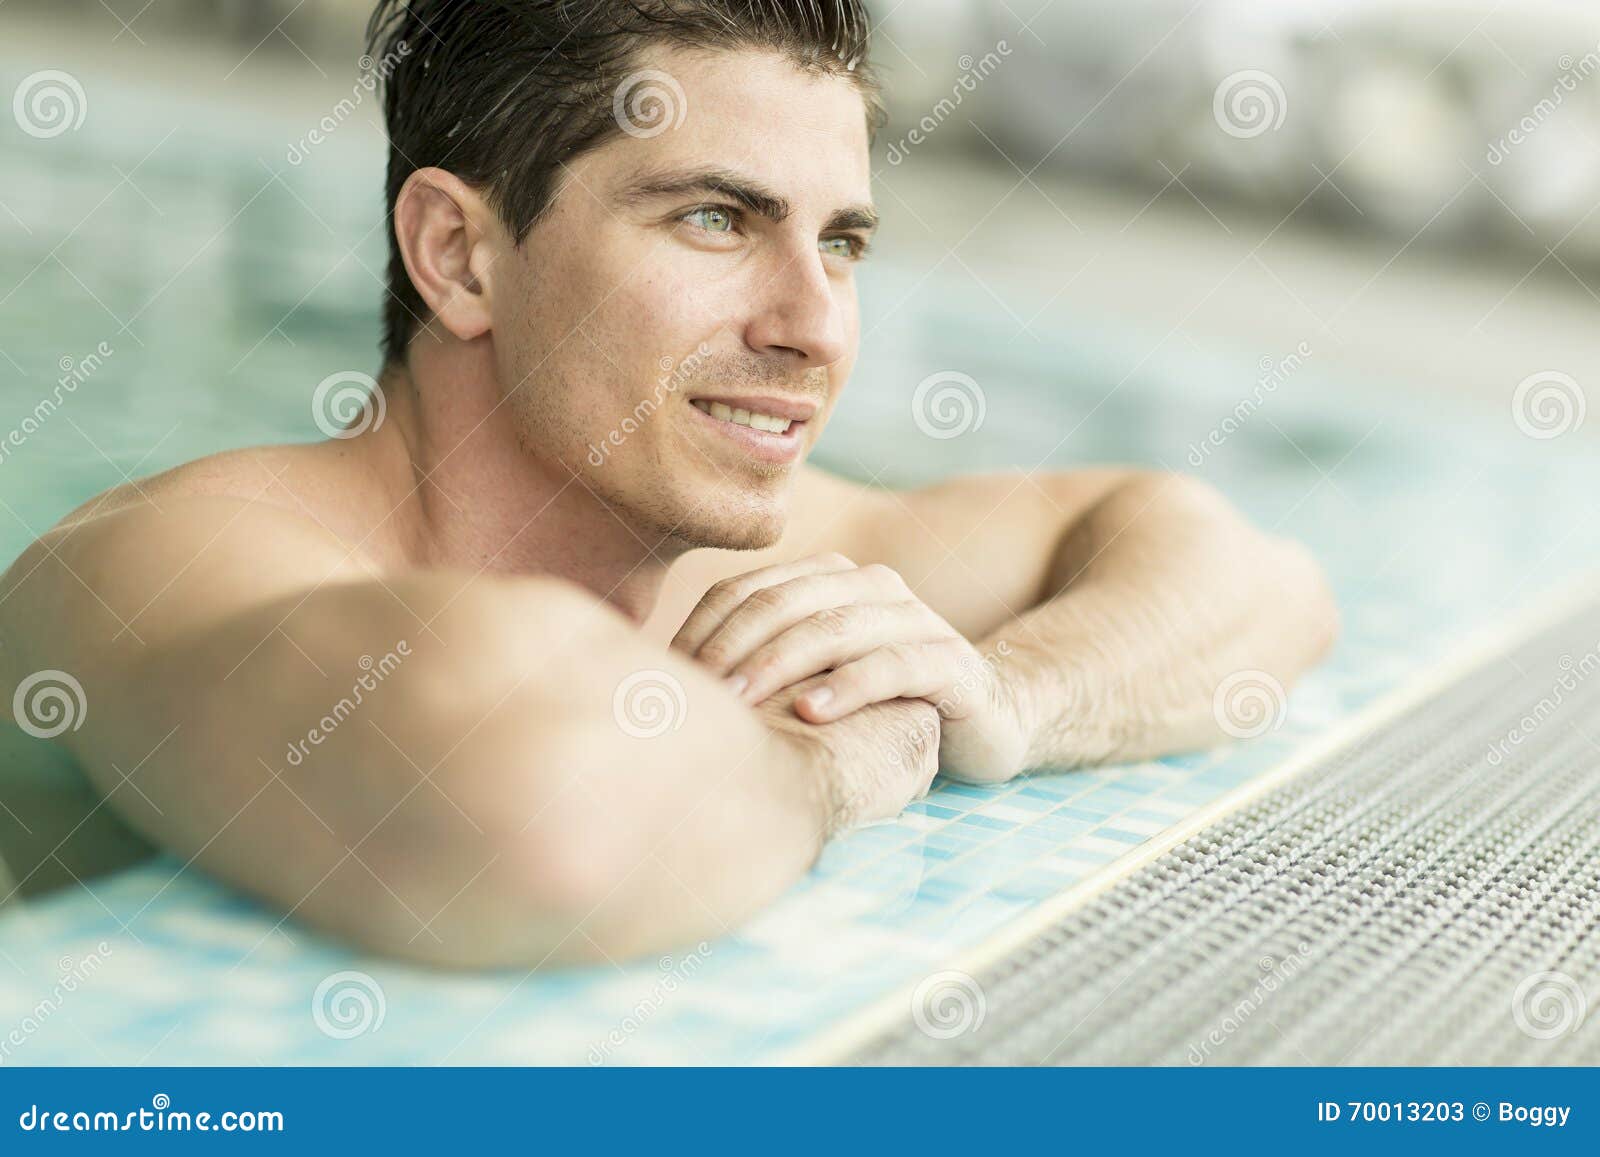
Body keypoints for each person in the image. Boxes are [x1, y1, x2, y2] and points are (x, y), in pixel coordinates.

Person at [0, 0, 1336, 967]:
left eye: (844, 243)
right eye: (716, 218)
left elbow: (1245, 573)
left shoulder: (740, 555)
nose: (814, 326)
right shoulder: (169, 561)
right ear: (459, 256)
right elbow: (527, 804)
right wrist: (832, 767)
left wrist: (1017, 700)